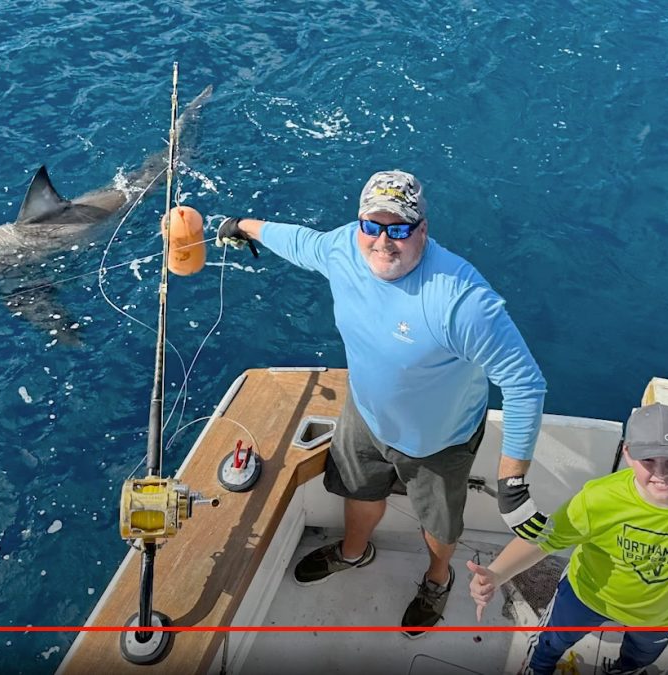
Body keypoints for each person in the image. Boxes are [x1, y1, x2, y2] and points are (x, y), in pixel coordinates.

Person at [215, 170, 547, 635]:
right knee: (358, 492)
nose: (383, 241)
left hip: (438, 440)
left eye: (399, 229)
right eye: (372, 226)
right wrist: (243, 226)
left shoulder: (462, 300)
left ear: (422, 230)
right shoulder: (343, 248)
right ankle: (353, 552)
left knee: (438, 526)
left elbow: (525, 383)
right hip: (365, 416)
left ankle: (438, 578)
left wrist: (512, 482)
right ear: (359, 225)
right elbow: (300, 241)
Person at [467, 403, 668, 675]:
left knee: (639, 659)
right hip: (585, 595)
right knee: (549, 643)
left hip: (662, 614)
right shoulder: (599, 498)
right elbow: (544, 539)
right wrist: (496, 574)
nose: (661, 473)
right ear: (628, 454)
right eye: (648, 460)